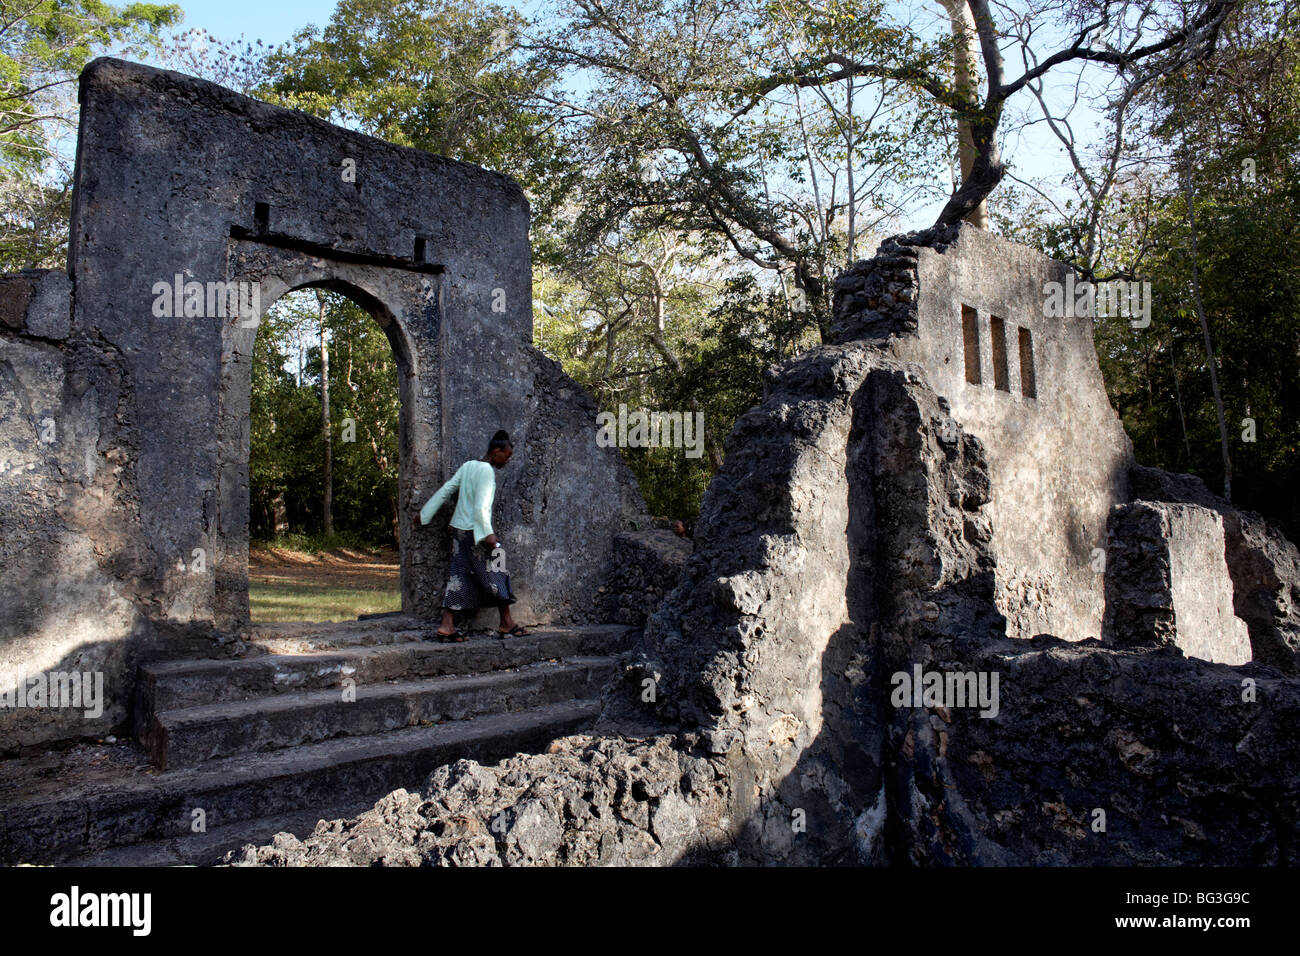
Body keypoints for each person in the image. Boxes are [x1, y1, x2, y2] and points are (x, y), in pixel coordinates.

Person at [419, 429, 531, 642]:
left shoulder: (468, 466)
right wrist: (488, 534)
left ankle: (447, 625)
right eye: (506, 456)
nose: (506, 461)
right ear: (496, 451)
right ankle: (506, 623)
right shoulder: (487, 471)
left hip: (459, 532)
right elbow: (481, 506)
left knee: (459, 576)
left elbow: (447, 490)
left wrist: (425, 514)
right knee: (498, 572)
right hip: (476, 533)